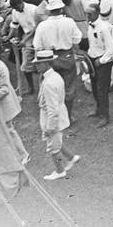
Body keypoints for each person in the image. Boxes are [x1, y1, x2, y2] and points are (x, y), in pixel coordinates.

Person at [34, 49, 79, 180]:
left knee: (53, 148)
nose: (36, 66)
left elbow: (52, 110)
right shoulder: (55, 76)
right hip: (59, 113)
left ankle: (60, 171)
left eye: (38, 63)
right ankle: (71, 157)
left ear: (46, 64)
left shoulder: (48, 83)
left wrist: (50, 127)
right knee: (57, 141)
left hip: (52, 117)